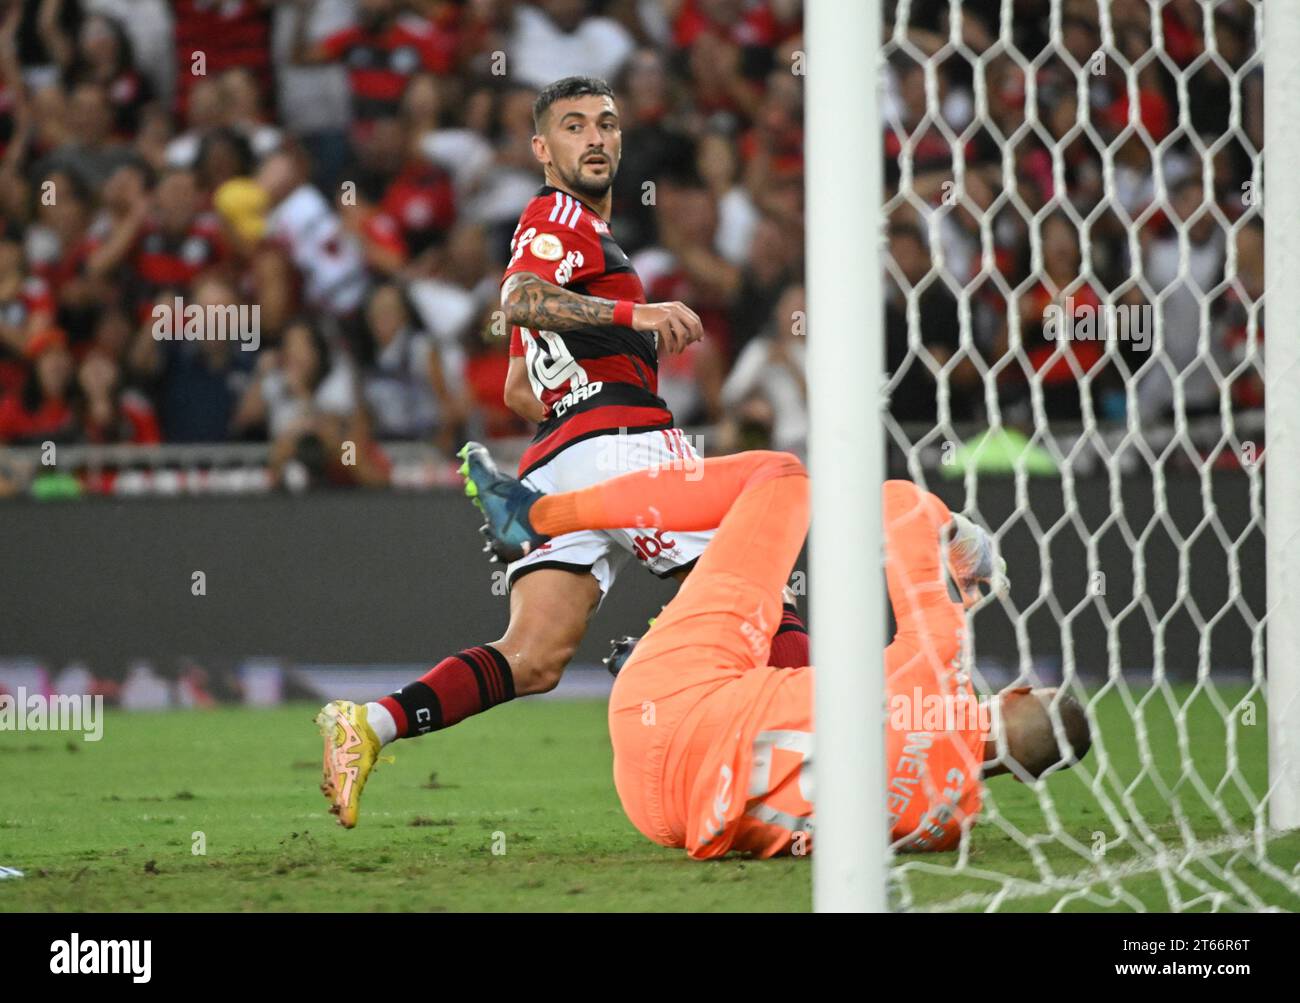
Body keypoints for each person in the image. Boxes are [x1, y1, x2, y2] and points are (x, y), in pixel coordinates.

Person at [313, 76, 809, 828]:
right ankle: (840, 759)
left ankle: (369, 724)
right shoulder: (558, 215)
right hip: (623, 440)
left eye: (607, 124)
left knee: (535, 654)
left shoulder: (576, 240)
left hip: (561, 449)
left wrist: (583, 375)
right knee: (764, 594)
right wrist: (633, 314)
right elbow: (518, 297)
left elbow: (519, 387)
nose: (596, 137)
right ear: (543, 149)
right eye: (574, 126)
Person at [340, 443, 1089, 857]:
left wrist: (959, 546)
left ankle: (535, 513)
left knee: (781, 479)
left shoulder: (939, 664)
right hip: (668, 812)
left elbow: (895, 503)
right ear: (1021, 779)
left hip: (671, 697)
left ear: (1019, 690)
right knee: (793, 654)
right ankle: (668, 649)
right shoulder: (947, 819)